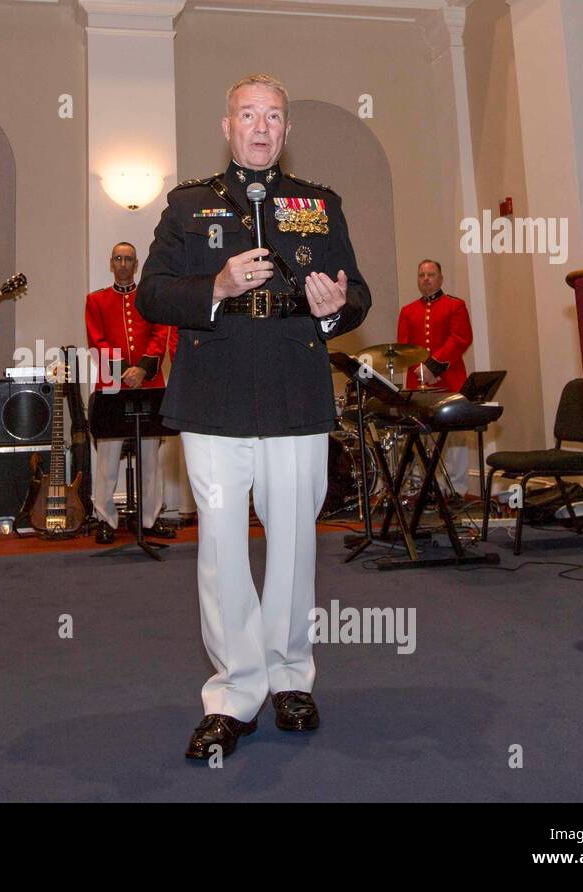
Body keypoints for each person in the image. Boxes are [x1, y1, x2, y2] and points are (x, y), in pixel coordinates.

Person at [137, 73, 371, 760]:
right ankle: (236, 691)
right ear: (228, 125)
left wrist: (337, 307)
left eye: (274, 116)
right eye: (249, 114)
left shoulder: (318, 205)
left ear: (287, 131)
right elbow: (152, 293)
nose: (261, 127)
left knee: (296, 540)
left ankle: (291, 677)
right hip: (215, 393)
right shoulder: (187, 206)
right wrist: (215, 285)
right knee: (221, 549)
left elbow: (357, 293)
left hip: (295, 389)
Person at [85, 242, 176, 544]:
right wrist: (125, 369)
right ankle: (105, 517)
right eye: (118, 259)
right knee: (108, 458)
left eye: (128, 259)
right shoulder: (95, 300)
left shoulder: (150, 298)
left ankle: (150, 517)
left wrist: (142, 369)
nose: (123, 264)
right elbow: (97, 340)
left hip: (149, 384)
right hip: (112, 384)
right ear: (111, 263)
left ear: (136, 265)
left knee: (150, 455)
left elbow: (160, 334)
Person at [396, 259, 474, 492]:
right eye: (421, 275)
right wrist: (423, 371)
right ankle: (427, 489)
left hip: (450, 380)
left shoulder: (455, 305)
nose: (426, 279)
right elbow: (404, 347)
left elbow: (460, 338)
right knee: (424, 437)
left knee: (455, 437)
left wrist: (434, 366)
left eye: (431, 274)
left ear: (440, 278)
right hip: (419, 382)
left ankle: (456, 489)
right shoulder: (408, 311)